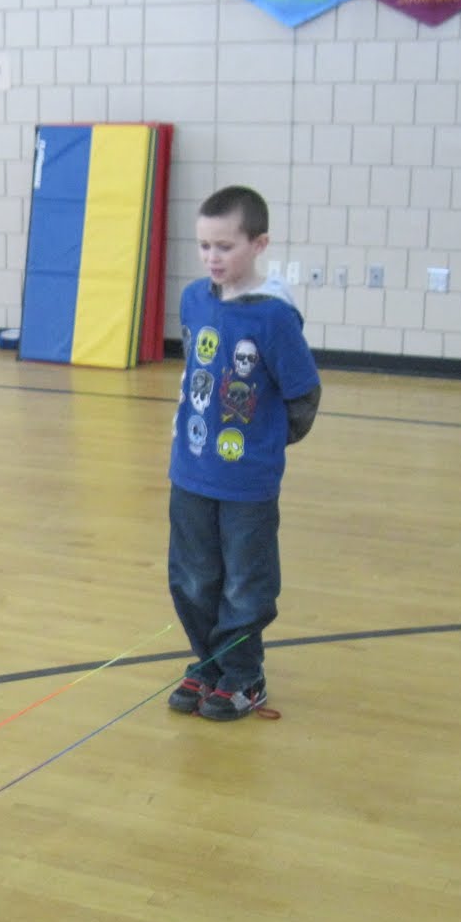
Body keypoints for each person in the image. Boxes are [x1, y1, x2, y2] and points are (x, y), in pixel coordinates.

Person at [167, 186, 321, 721]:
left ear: (259, 245)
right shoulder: (192, 299)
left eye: (225, 247)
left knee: (244, 582)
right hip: (190, 471)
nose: (212, 258)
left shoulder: (275, 319)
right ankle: (208, 663)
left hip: (247, 483)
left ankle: (243, 674)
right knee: (191, 576)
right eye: (204, 245)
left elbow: (303, 395)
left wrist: (262, 448)